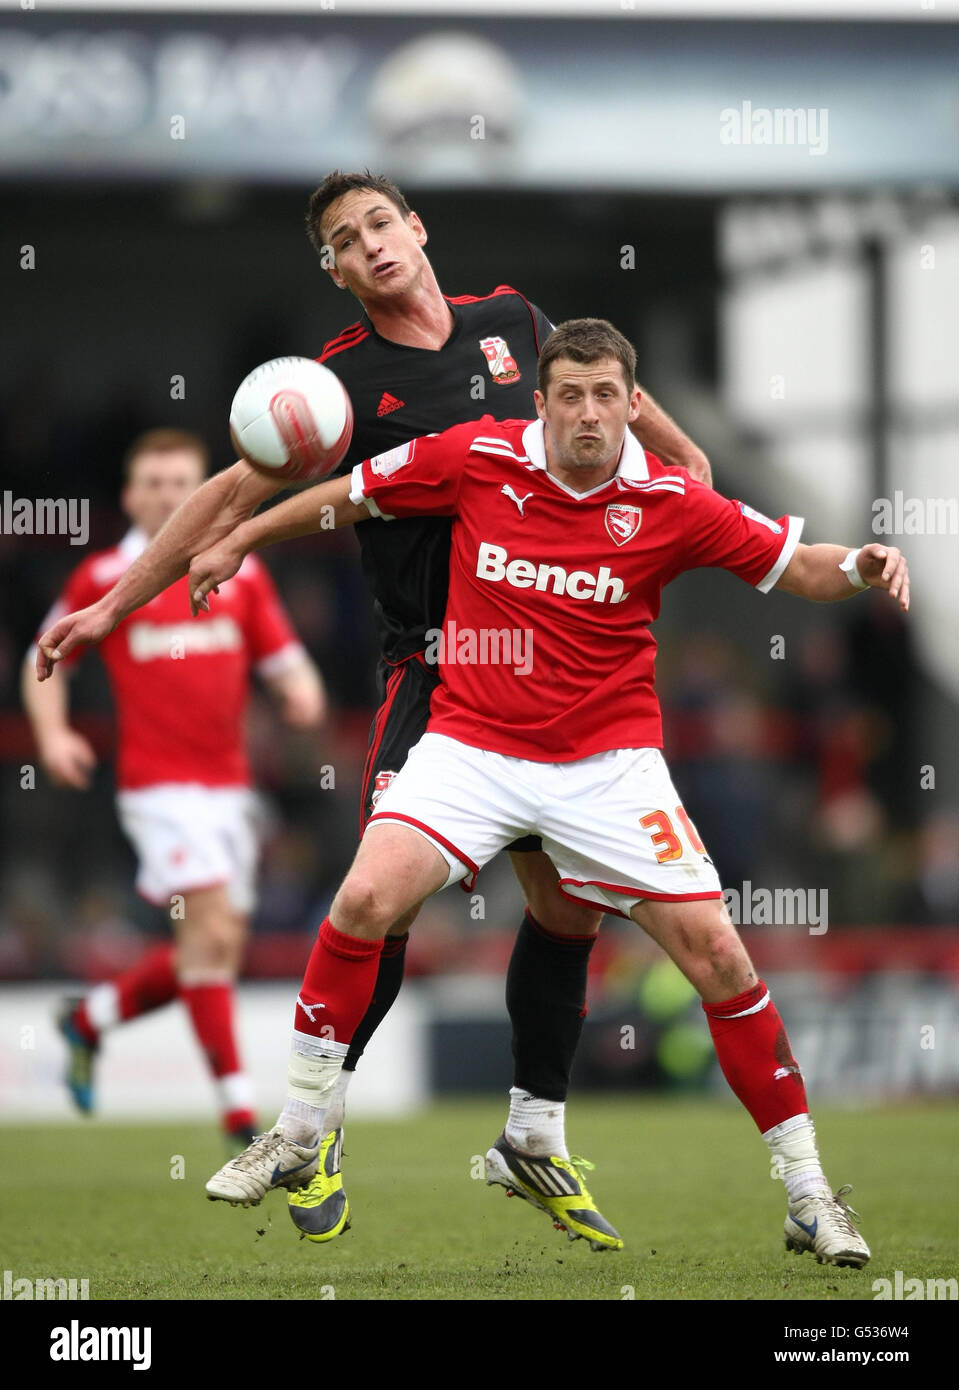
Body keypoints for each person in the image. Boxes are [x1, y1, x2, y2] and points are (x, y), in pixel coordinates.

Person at [33, 171, 712, 1252]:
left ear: (416, 227)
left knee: (564, 907)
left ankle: (534, 1129)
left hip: (555, 664)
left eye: (381, 222)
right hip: (436, 668)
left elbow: (630, 410)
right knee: (381, 900)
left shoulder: (514, 325)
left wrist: (681, 469)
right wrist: (116, 602)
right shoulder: (336, 387)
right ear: (337, 271)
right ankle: (317, 1119)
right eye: (345, 240)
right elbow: (227, 494)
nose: (370, 244)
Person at [188, 318, 908, 1265]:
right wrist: (240, 536)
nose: (586, 411)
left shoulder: (671, 499)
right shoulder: (475, 457)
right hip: (473, 747)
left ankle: (810, 1193)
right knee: (364, 897)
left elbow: (795, 565)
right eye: (568, 393)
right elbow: (350, 498)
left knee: (723, 965)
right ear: (539, 401)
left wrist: (861, 563)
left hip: (610, 770)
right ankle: (300, 1125)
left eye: (605, 393)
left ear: (629, 403)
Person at [23, 429, 326, 1148]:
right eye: (152, 483)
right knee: (213, 932)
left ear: (205, 492)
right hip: (157, 790)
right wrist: (52, 733)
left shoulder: (240, 573)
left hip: (232, 792)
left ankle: (88, 1020)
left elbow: (286, 661)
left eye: (180, 482)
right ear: (129, 496)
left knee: (209, 947)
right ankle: (239, 1117)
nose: (166, 495)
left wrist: (303, 693)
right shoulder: (103, 578)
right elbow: (47, 654)